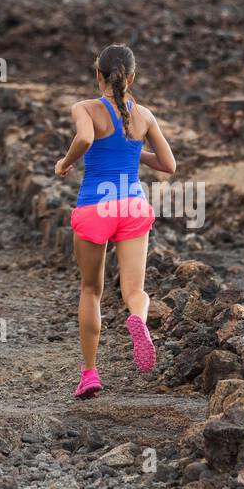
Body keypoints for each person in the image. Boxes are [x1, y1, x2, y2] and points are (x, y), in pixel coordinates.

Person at [55, 44, 176, 398]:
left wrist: (66, 163)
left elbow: (86, 138)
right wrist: (135, 151)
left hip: (96, 208)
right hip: (133, 207)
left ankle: (90, 374)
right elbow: (169, 165)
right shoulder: (145, 115)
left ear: (98, 75)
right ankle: (137, 318)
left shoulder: (86, 108)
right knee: (135, 291)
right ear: (133, 77)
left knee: (91, 291)